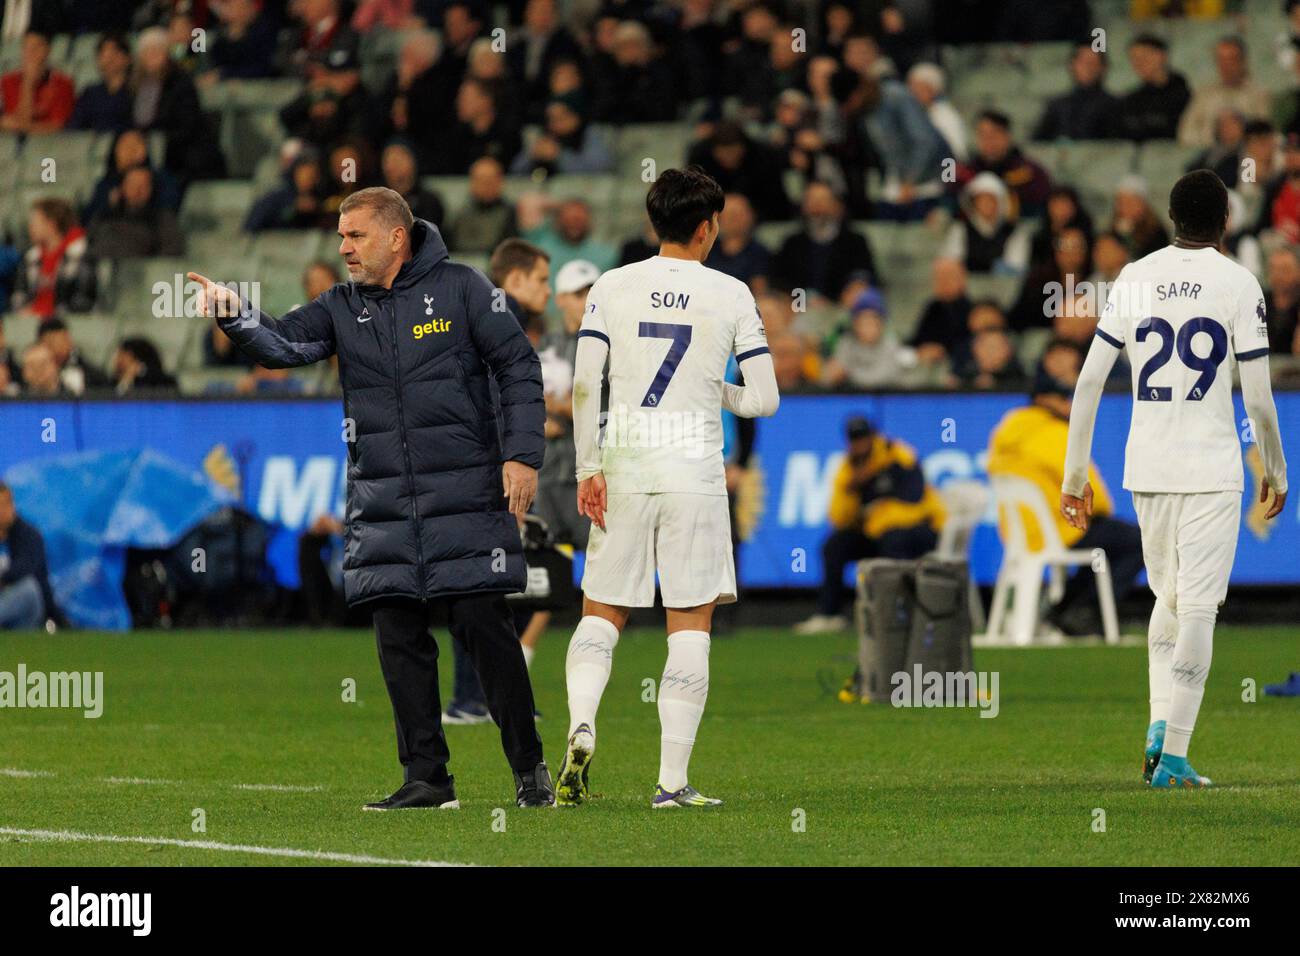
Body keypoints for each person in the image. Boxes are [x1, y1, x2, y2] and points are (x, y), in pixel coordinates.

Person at [187, 186, 554, 809]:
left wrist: (520, 456)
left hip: (463, 494)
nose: (343, 248)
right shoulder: (339, 306)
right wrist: (234, 313)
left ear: (396, 237)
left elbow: (519, 367)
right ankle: (427, 779)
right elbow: (284, 346)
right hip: (383, 502)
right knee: (398, 638)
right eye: (340, 236)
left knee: (485, 631)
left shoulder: (465, 289)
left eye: (354, 236)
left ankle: (529, 769)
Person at [556, 166, 780, 808]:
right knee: (690, 621)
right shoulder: (732, 293)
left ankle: (580, 725)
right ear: (707, 228)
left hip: (623, 466)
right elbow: (764, 399)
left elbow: (581, 385)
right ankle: (672, 782)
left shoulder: (611, 284)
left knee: (602, 611)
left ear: (656, 222)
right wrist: (719, 391)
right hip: (694, 474)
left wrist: (588, 467)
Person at [1061, 169, 1289, 788]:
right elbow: (1261, 400)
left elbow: (1087, 384)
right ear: (1226, 222)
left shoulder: (1134, 278)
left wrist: (1074, 476)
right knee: (1199, 609)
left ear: (1170, 215)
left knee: (1168, 601)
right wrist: (1276, 466)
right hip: (1212, 466)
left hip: (1148, 467)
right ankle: (1177, 755)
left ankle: (1159, 726)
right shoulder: (1240, 283)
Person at [987, 353, 1143, 634]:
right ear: (1044, 400)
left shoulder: (1006, 430)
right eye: (1063, 398)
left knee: (1106, 546)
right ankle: (1085, 613)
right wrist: (1099, 513)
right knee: (1136, 541)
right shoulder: (1052, 431)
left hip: (1021, 534)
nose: (1069, 405)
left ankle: (1063, 611)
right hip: (1059, 529)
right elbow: (1089, 491)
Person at [794, 416, 945, 635]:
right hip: (877, 534)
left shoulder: (898, 455)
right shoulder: (849, 468)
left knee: (894, 540)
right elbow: (838, 517)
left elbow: (917, 501)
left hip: (918, 530)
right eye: (855, 439)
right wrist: (852, 488)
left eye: (864, 437)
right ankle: (829, 614)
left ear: (873, 437)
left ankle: (895, 611)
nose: (860, 444)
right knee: (834, 545)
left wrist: (880, 516)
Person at [0, 481, 59, 631]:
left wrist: (3, 580)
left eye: (7, 504)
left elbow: (26, 568)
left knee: (29, 588)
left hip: (22, 607)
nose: (3, 511)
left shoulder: (28, 535)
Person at [0, 30, 74, 133]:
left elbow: (58, 127)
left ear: (47, 51)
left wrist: (21, 126)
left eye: (36, 47)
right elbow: (19, 119)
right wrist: (27, 84)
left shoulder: (63, 84)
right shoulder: (8, 81)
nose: (30, 53)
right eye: (26, 47)